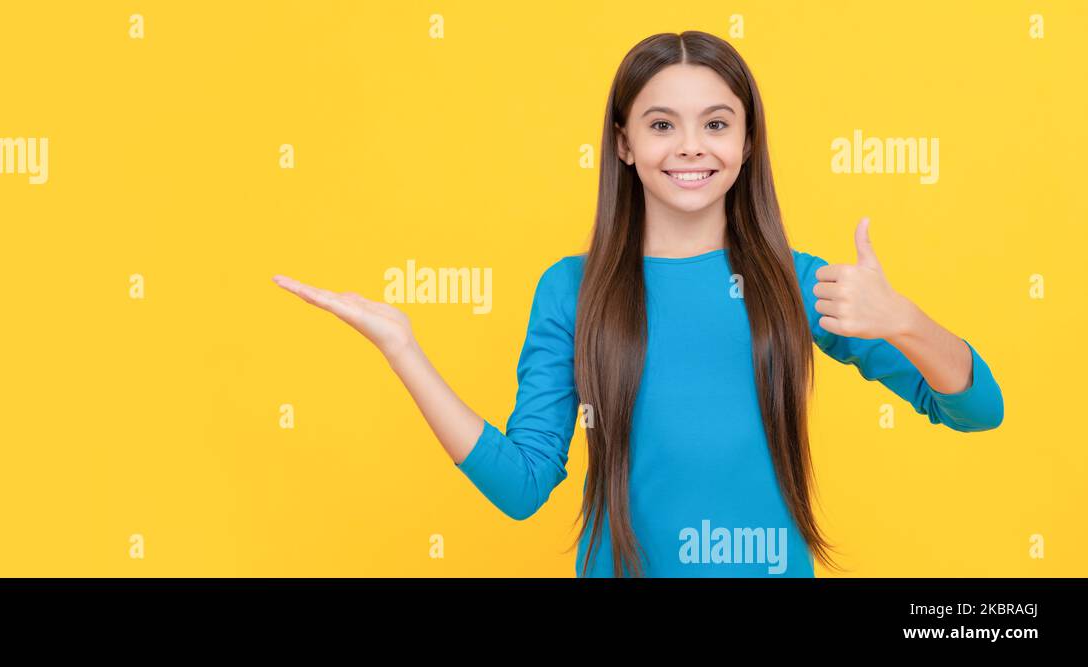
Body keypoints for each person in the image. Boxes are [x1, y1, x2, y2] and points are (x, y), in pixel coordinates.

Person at [272, 31, 1003, 577]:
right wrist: (403, 346)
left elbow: (979, 408)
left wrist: (903, 321)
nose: (691, 147)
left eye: (717, 123)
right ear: (623, 143)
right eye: (662, 124)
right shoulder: (572, 290)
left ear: (747, 144)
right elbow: (524, 485)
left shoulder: (797, 283)